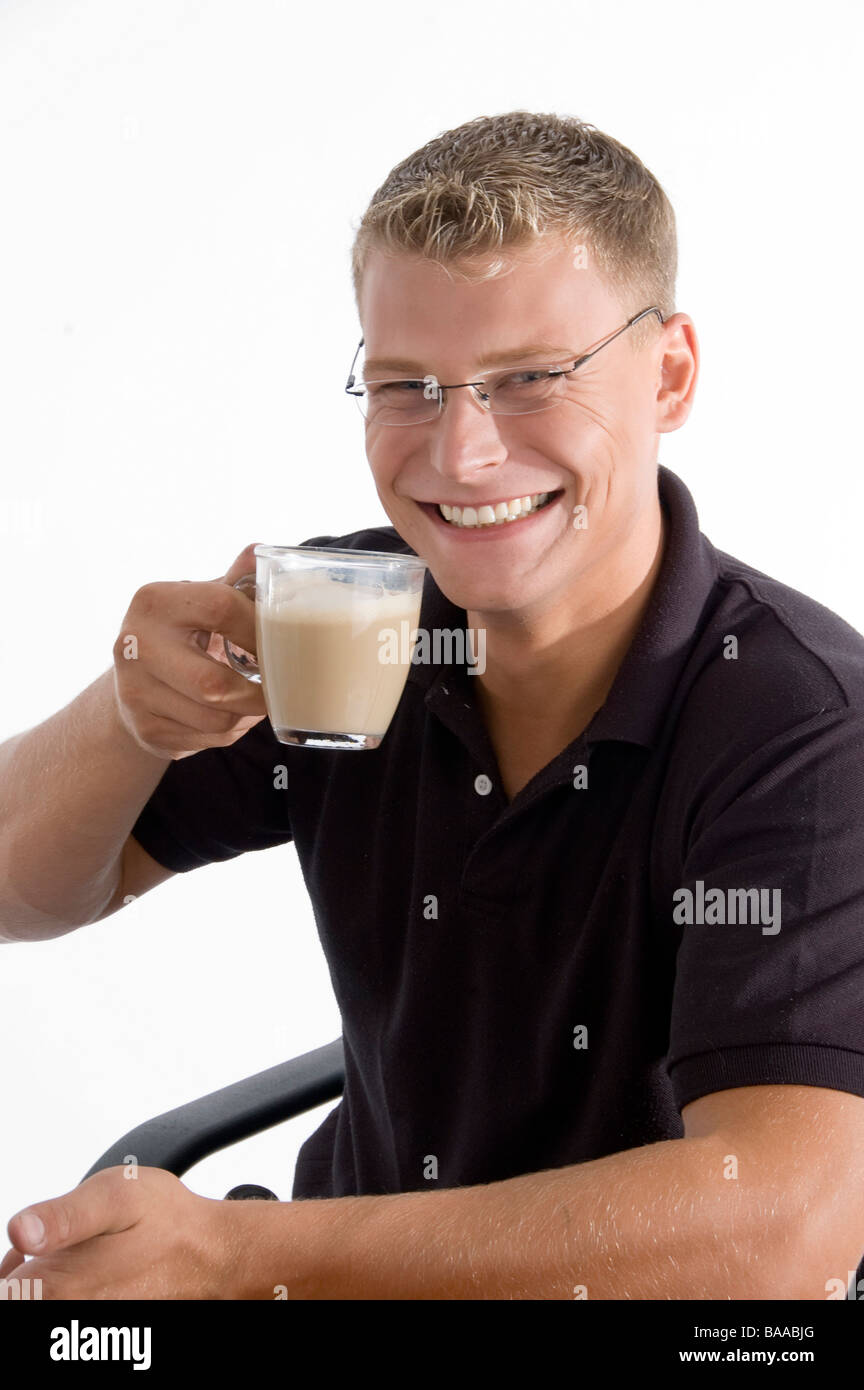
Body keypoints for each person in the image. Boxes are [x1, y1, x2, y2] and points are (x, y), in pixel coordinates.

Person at [2, 110, 864, 1301]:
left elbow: (781, 1228)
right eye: (407, 384)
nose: (460, 455)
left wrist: (238, 1256)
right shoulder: (347, 618)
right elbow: (18, 889)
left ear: (668, 375)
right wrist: (127, 720)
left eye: (530, 379)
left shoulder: (803, 727)